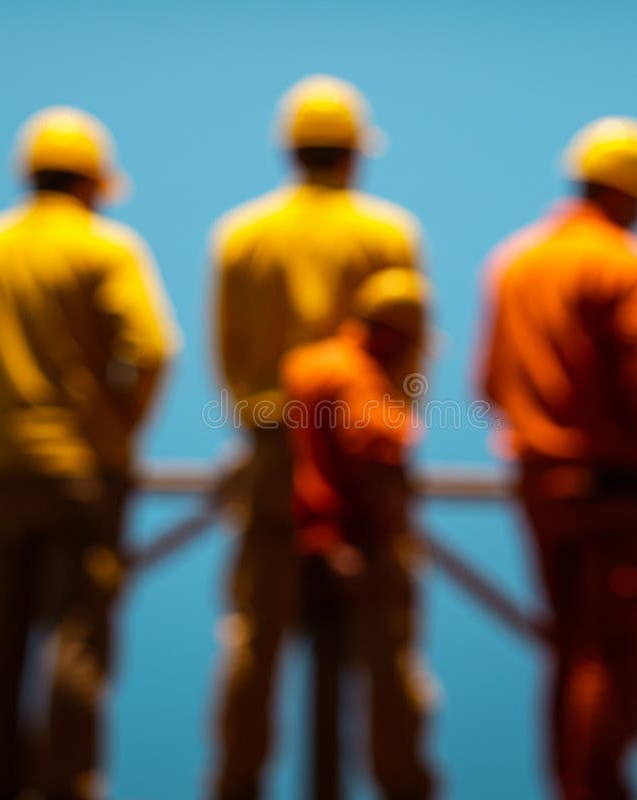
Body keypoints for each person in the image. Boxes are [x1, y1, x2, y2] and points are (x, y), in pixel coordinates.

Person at [0, 106, 179, 800]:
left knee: (3, 647)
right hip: (81, 473)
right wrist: (116, 435)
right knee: (77, 640)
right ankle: (64, 786)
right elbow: (151, 350)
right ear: (91, 182)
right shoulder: (104, 248)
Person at [209, 75, 424, 799]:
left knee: (256, 632)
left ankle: (237, 782)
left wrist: (267, 424)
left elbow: (231, 361)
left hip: (272, 450)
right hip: (363, 455)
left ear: (290, 151)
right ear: (354, 154)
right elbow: (408, 356)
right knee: (385, 637)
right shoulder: (387, 235)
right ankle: (403, 781)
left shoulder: (242, 236)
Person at [475, 117, 637, 800]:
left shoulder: (514, 262)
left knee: (567, 651)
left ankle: (570, 781)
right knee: (610, 652)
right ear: (627, 192)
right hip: (612, 485)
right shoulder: (622, 261)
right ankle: (597, 788)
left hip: (538, 484)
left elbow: (488, 383)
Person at [281, 268, 437, 800]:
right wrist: (386, 540)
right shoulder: (361, 377)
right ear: (393, 335)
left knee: (321, 695)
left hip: (312, 544)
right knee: (391, 691)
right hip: (361, 551)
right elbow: (371, 452)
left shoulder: (307, 364)